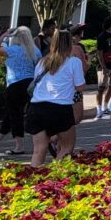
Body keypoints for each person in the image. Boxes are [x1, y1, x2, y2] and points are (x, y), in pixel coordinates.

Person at [26, 29, 86, 165]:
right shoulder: (73, 62)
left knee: (38, 150)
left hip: (36, 107)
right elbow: (80, 86)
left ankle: (33, 179)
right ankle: (53, 177)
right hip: (60, 108)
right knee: (66, 147)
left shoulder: (42, 62)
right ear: (70, 44)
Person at [0, 26, 39, 155]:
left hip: (15, 84)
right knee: (11, 114)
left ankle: (19, 145)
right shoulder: (35, 50)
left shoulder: (13, 50)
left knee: (15, 114)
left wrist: (3, 35)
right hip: (30, 84)